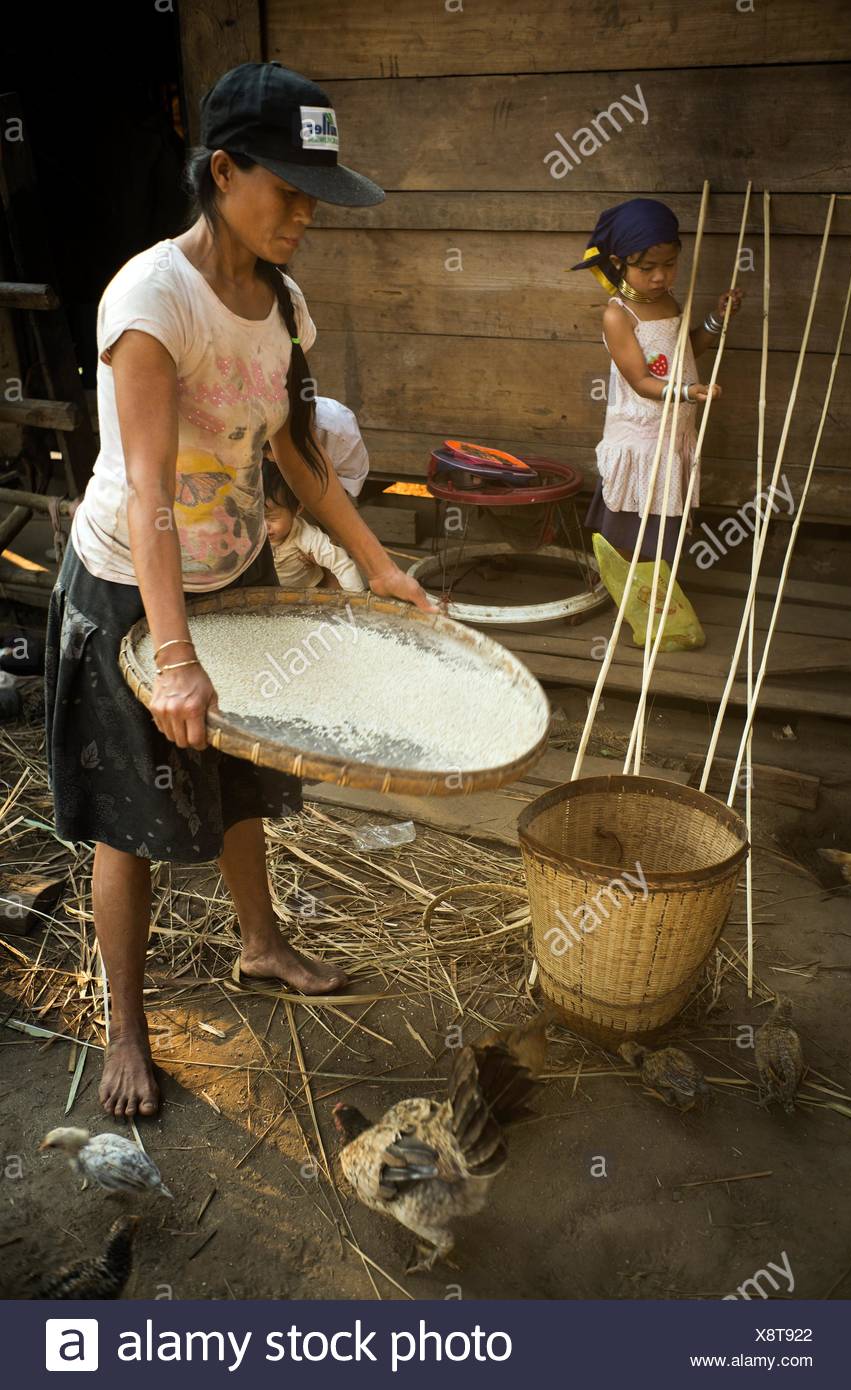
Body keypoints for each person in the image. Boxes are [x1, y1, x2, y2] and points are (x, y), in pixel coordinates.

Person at [43, 61, 436, 1120]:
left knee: (238, 783)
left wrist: (380, 565)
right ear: (222, 170)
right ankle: (127, 1024)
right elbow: (150, 495)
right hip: (137, 586)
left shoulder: (279, 296)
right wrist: (172, 657)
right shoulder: (149, 301)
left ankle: (261, 943)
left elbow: (299, 453)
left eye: (318, 194)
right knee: (135, 819)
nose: (306, 212)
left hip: (233, 572)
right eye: (290, 188)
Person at [572, 198, 742, 645]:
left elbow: (687, 351)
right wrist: (688, 392)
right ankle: (632, 605)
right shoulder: (618, 315)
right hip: (642, 439)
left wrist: (716, 319)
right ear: (618, 263)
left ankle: (650, 601)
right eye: (648, 267)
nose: (660, 276)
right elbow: (642, 380)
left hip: (672, 437)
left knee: (660, 531)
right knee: (631, 529)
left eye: (669, 264)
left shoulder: (666, 300)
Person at [262, 451, 365, 591]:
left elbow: (340, 563)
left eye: (272, 518)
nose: (263, 526)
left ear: (297, 509)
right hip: (266, 596)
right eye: (255, 517)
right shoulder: (248, 535)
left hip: (306, 594)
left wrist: (355, 599)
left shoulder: (306, 536)